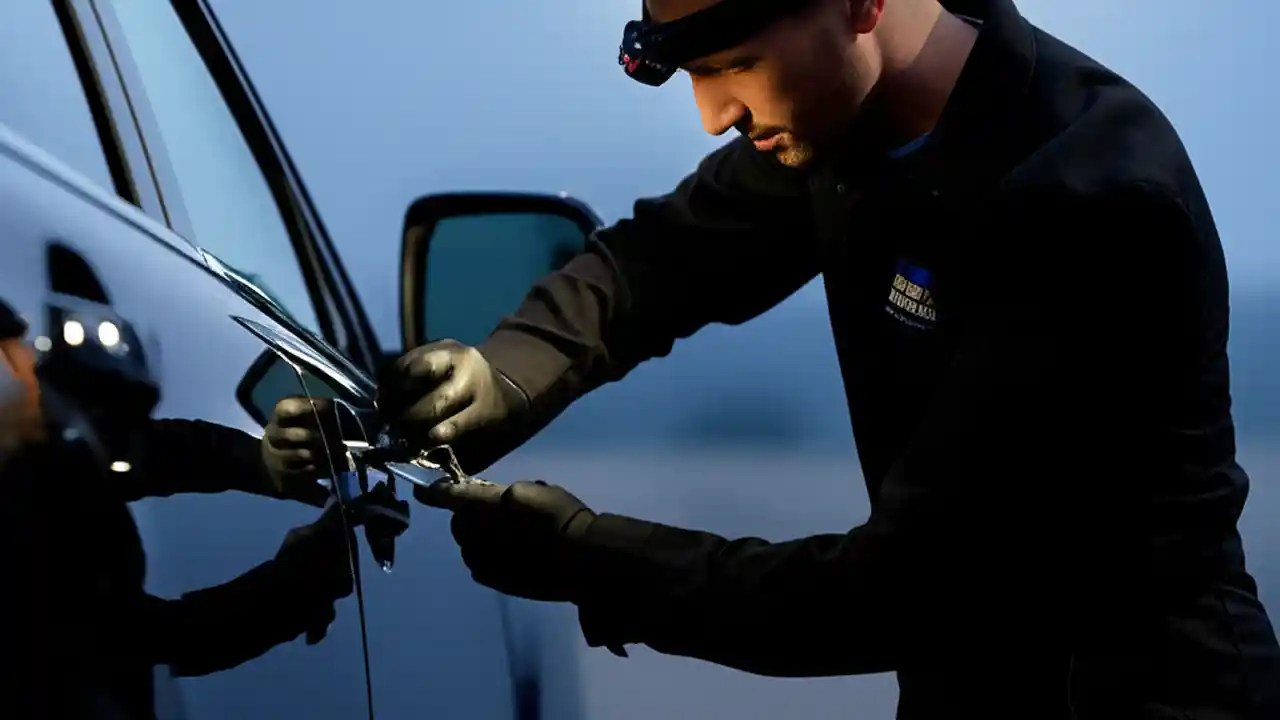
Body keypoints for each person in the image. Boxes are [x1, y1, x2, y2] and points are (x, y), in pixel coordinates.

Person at [374, 0, 1280, 716]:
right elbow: (662, 260)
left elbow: (907, 590)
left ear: (862, 3)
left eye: (735, 66)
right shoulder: (848, 115)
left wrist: (584, 557)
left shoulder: (1091, 206)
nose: (711, 113)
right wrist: (500, 374)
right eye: (695, 71)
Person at [2, 298, 358, 719]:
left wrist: (262, 463)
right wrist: (292, 589)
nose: (30, 360)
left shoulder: (46, 469)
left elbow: (136, 455)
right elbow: (135, 639)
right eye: (12, 349)